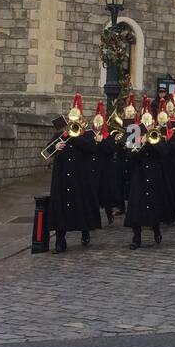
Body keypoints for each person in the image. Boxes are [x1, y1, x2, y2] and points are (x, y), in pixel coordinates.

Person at [47, 94, 102, 250]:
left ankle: (85, 232)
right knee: (61, 209)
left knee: (81, 206)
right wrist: (55, 147)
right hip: (62, 178)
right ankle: (60, 239)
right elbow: (46, 152)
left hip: (80, 178)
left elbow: (91, 148)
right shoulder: (60, 136)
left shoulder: (86, 136)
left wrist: (74, 136)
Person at [126, 104, 169, 248]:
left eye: (149, 123)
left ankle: (156, 229)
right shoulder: (135, 136)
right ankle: (136, 237)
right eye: (145, 123)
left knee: (154, 204)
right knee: (137, 206)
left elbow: (164, 153)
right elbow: (130, 158)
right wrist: (140, 145)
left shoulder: (158, 135)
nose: (148, 126)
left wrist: (152, 142)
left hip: (155, 175)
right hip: (140, 176)